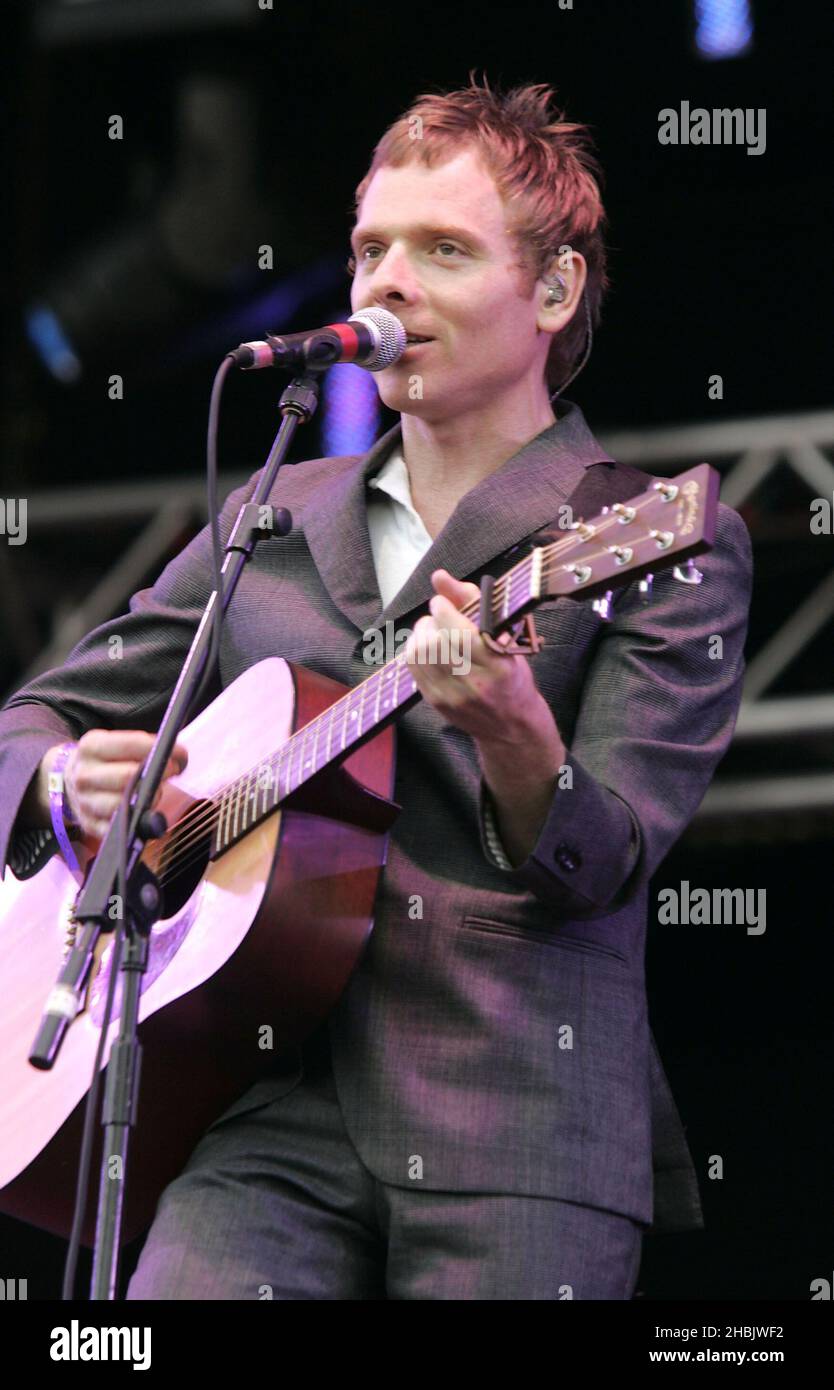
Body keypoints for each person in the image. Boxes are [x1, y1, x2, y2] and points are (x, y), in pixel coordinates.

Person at [0, 75, 752, 1299]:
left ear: (552, 291)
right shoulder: (270, 516)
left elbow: (605, 857)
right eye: (369, 249)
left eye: (442, 250)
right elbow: (36, 712)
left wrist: (514, 731)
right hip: (257, 1111)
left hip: (511, 1126)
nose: (384, 282)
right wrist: (57, 780)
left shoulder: (644, 532)